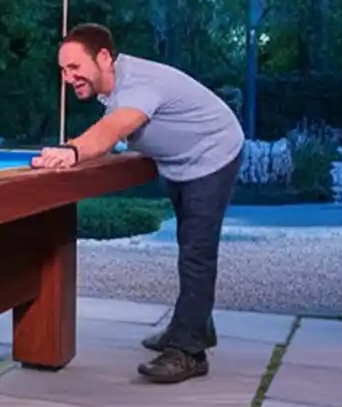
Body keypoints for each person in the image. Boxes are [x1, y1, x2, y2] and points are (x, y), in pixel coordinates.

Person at [32, 23, 243, 384]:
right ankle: (192, 326)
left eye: (75, 68)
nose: (68, 78)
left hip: (213, 154)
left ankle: (189, 352)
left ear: (103, 57)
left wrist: (73, 151)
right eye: (63, 71)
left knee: (196, 252)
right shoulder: (116, 87)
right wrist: (85, 146)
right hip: (181, 164)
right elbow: (117, 127)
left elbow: (115, 127)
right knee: (189, 245)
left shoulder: (139, 84)